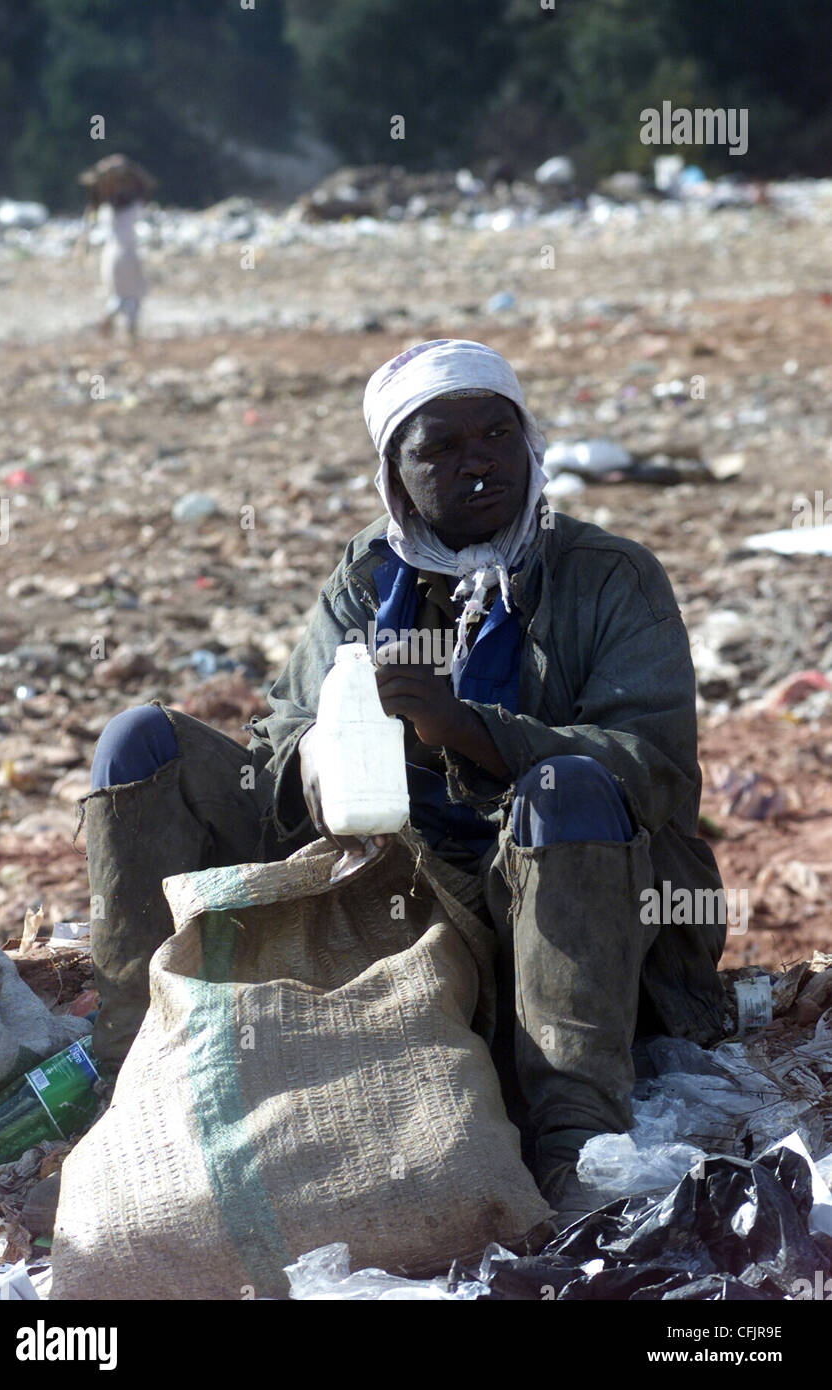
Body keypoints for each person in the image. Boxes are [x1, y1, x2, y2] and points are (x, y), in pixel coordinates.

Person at [75, 338, 726, 1226]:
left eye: (498, 434)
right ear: (393, 472)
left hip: (574, 904)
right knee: (140, 745)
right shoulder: (368, 578)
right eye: (440, 449)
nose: (479, 462)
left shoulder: (606, 576)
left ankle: (575, 1137)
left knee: (567, 785)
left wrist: (472, 731)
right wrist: (321, 757)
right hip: (402, 883)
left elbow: (654, 771)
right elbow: (278, 737)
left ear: (531, 445)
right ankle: (133, 1081)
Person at [78, 154, 153, 339]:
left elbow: (95, 199)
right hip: (126, 254)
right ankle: (130, 330)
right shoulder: (129, 209)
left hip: (110, 256)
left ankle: (112, 323)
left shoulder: (106, 210)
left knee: (120, 295)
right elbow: (144, 188)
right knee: (132, 295)